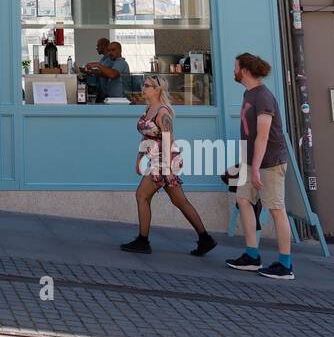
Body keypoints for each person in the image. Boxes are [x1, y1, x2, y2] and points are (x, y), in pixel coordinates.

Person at [120, 75, 216, 256]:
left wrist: (168, 169)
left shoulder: (163, 112)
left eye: (147, 86)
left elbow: (168, 139)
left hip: (164, 160)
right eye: (144, 85)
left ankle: (143, 241)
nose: (143, 88)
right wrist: (139, 158)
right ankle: (205, 238)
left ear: (157, 90)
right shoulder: (149, 108)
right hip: (155, 159)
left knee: (141, 195)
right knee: (179, 200)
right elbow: (146, 136)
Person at [226, 53, 293, 280]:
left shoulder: (263, 96)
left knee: (275, 208)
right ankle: (252, 255)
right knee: (243, 200)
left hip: (269, 162)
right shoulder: (249, 93)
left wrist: (255, 168)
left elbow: (263, 136)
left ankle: (285, 265)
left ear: (244, 70)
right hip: (252, 161)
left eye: (235, 67)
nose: (233, 71)